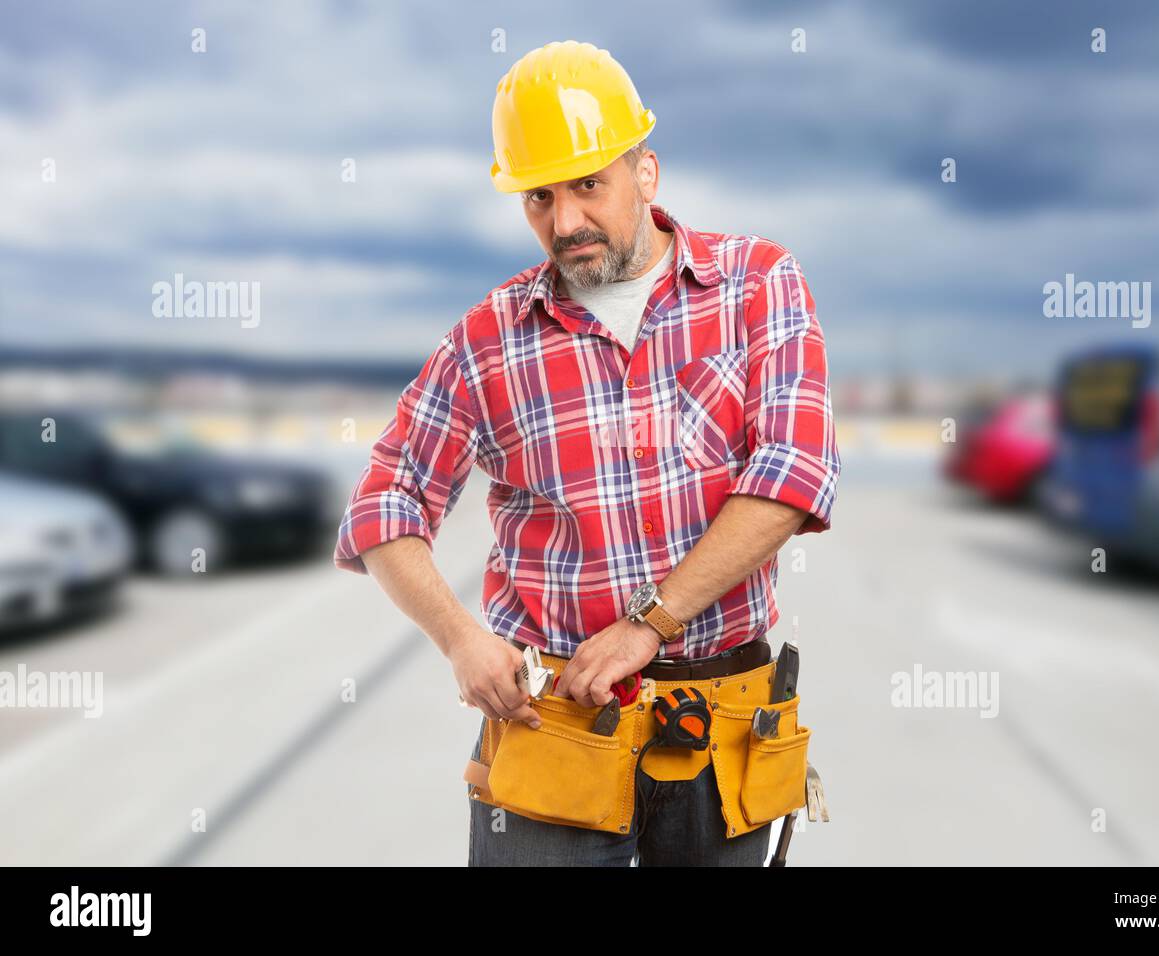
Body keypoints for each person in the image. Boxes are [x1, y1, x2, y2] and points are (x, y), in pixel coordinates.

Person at [334, 39, 840, 866]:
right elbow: (383, 502)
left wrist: (648, 625)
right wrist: (460, 639)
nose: (564, 221)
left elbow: (792, 475)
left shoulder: (758, 285)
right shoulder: (487, 340)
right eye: (538, 197)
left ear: (646, 173)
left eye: (587, 185)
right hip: (554, 730)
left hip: (723, 737)